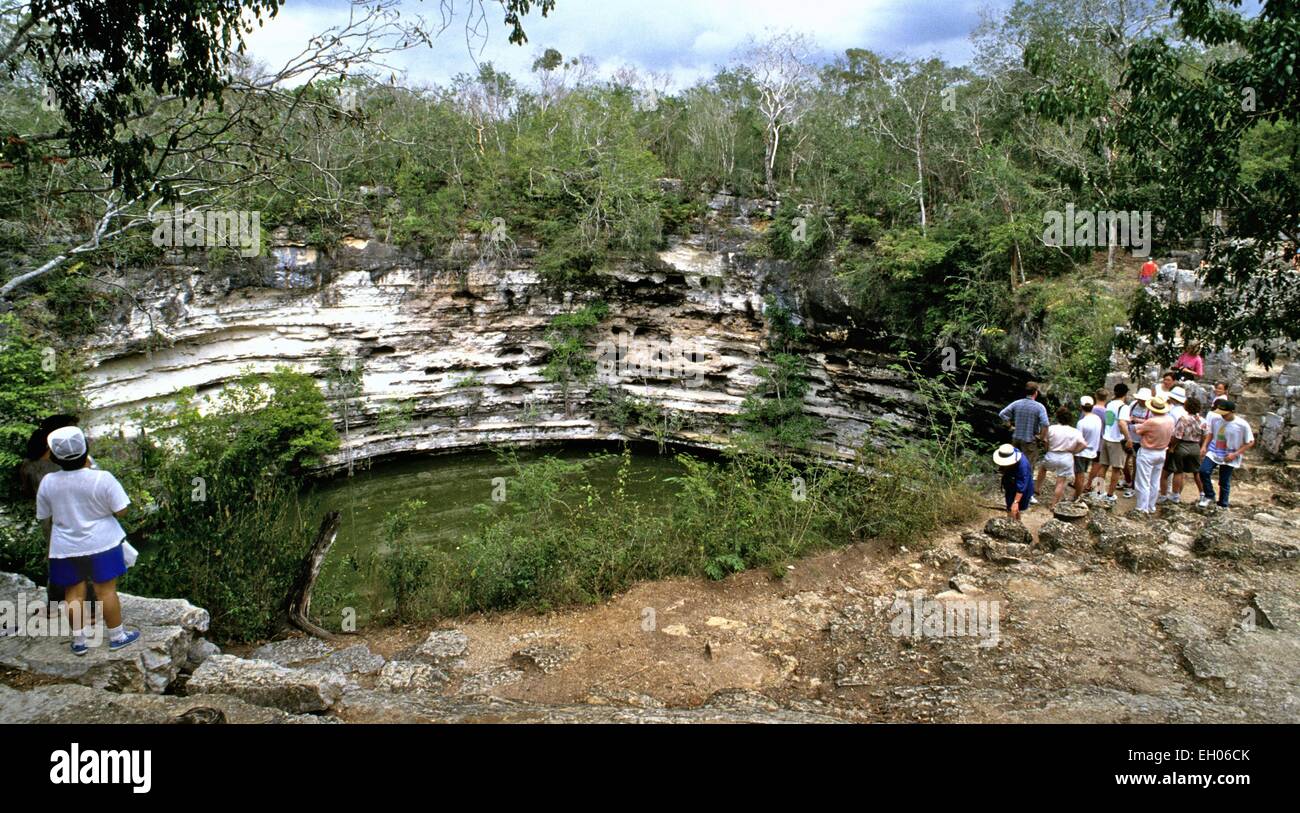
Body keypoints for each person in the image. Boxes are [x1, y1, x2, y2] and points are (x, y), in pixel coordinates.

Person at [34, 426, 140, 655]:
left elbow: (43, 515)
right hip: (103, 543)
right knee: (106, 592)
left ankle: (80, 642)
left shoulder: (48, 481)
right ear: (86, 450)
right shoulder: (103, 478)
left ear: (53, 457)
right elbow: (121, 510)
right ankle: (117, 636)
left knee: (73, 594)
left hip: (65, 546)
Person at [998, 382, 1049, 505]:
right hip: (1030, 441)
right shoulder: (1039, 407)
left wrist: (1010, 426)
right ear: (1036, 393)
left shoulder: (1017, 403)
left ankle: (1010, 489)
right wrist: (1041, 438)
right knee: (1028, 467)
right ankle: (1028, 494)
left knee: (1012, 465)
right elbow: (1045, 424)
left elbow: (1002, 414)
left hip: (1016, 439)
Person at [1199, 401, 1255, 510]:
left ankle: (1223, 503)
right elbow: (1210, 434)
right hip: (1215, 451)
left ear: (1232, 411)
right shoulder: (1216, 420)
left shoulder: (1242, 424)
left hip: (1230, 454)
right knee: (1203, 471)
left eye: (1225, 413)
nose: (1222, 415)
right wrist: (1204, 446)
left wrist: (1235, 454)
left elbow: (1250, 442)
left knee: (1224, 480)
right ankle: (1209, 495)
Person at [1133, 395, 1175, 515]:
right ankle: (1151, 506)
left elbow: (1138, 431)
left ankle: (1142, 508)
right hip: (1161, 452)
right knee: (1155, 481)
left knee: (1143, 481)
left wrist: (1135, 424)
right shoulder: (1170, 419)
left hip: (1148, 452)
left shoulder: (1152, 421)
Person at [1043, 405, 1088, 506]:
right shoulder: (1075, 431)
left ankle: (1037, 488)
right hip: (1066, 457)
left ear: (1058, 417)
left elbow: (1045, 441)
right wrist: (1074, 451)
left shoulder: (1051, 428)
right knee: (1060, 482)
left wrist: (1047, 450)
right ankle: (1054, 504)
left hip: (1052, 454)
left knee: (1043, 468)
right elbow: (1084, 444)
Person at [1168, 395, 1208, 503]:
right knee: (1196, 472)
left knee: (1178, 471)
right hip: (1195, 446)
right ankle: (1202, 493)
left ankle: (1175, 495)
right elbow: (1205, 435)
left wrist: (1172, 447)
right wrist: (1202, 446)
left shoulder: (1183, 419)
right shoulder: (1203, 420)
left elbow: (1178, 435)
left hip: (1182, 445)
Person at [1100, 384, 1131, 504]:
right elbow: (1122, 424)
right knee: (1116, 469)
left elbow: (1109, 420)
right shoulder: (1124, 407)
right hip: (1117, 440)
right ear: (1125, 394)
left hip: (1106, 438)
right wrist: (1128, 438)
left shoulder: (1109, 404)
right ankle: (1110, 494)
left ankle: (1099, 491)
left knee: (1103, 466)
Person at [1158, 386, 1188, 502]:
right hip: (1185, 444)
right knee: (1180, 471)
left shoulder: (1173, 412)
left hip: (1174, 443)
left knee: (1167, 472)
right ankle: (1177, 494)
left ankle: (1164, 494)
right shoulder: (1186, 412)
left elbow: (1170, 429)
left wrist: (1170, 445)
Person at [994, 443, 1033, 521]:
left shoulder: (1023, 466)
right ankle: (1017, 523)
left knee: (1014, 507)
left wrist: (1015, 502)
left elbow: (1021, 487)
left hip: (1022, 488)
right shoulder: (1009, 453)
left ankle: (1012, 525)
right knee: (1011, 507)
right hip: (1010, 484)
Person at [1076, 396, 1104, 498]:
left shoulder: (1081, 422)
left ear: (1081, 407)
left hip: (1081, 451)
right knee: (1094, 469)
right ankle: (1097, 491)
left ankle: (1077, 496)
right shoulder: (1097, 419)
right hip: (1093, 450)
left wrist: (1073, 451)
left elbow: (1079, 440)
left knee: (1079, 474)